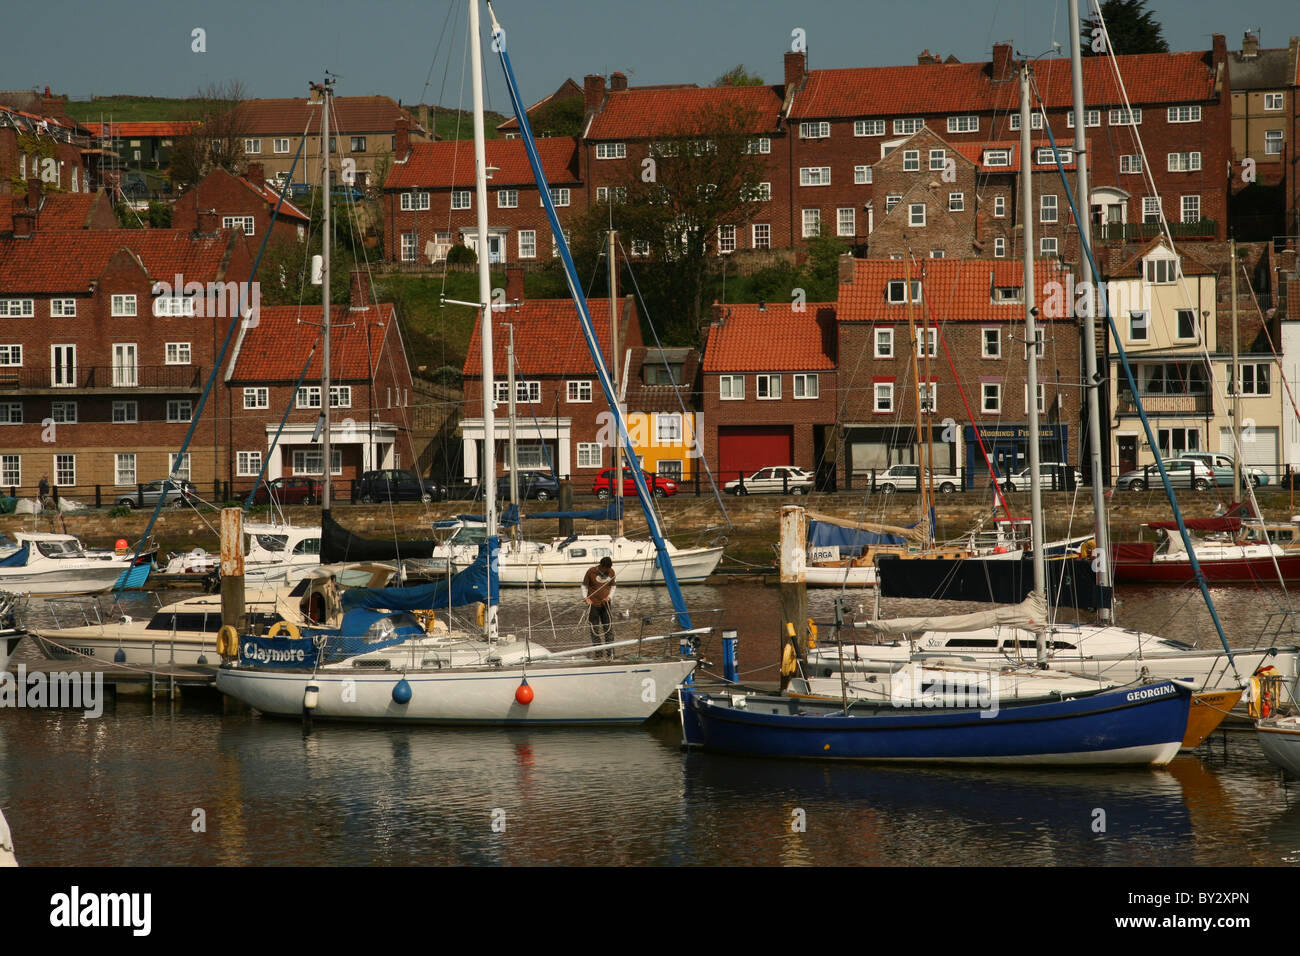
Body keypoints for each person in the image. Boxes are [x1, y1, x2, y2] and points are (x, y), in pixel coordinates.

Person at [582, 556, 616, 657]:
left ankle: (610, 653)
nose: (606, 571)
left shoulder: (611, 572)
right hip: (593, 605)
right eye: (605, 568)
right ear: (600, 565)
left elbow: (613, 587)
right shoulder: (591, 572)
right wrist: (585, 598)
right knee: (594, 630)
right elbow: (584, 586)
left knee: (608, 629)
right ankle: (598, 653)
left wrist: (609, 597)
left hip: (605, 605)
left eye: (608, 569)